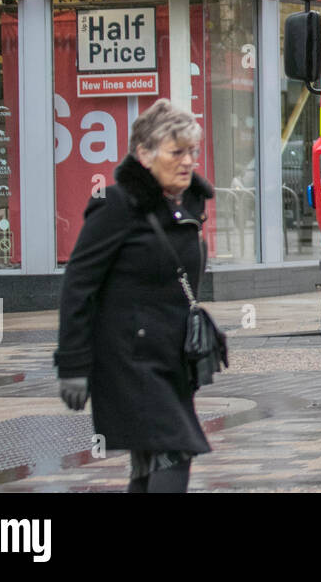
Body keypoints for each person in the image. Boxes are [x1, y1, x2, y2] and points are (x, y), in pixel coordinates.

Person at [54, 99, 215, 493]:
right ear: (144, 154)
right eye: (176, 152)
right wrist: (73, 365)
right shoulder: (115, 205)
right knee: (175, 447)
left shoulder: (184, 206)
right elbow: (79, 284)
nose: (187, 161)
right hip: (129, 359)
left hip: (171, 358)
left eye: (192, 152)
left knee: (151, 458)